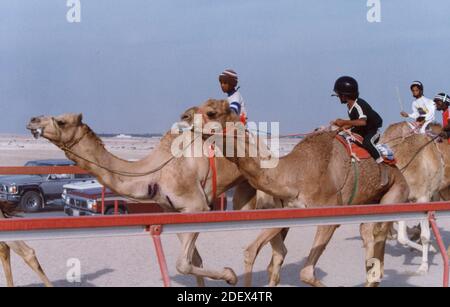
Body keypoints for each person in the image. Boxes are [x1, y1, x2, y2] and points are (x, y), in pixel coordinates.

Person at [331, 76, 389, 187]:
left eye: (339, 95)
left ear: (345, 95)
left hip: (371, 131)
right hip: (361, 130)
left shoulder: (358, 105)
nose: (338, 97)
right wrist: (338, 129)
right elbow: (352, 123)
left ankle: (382, 166)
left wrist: (343, 122)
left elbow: (362, 122)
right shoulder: (350, 106)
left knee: (367, 143)